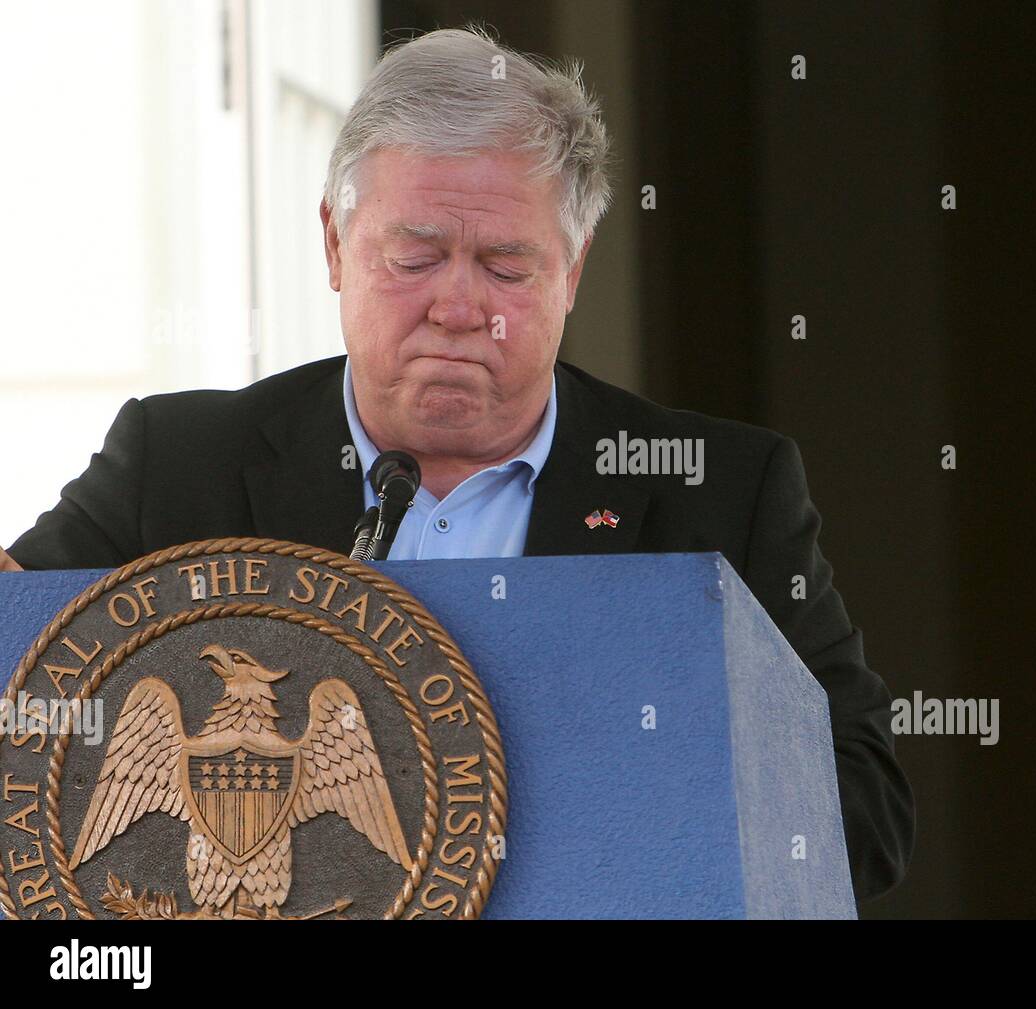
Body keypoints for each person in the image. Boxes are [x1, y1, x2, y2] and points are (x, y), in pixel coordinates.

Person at [1, 26, 914, 914]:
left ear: (574, 269)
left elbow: (868, 804)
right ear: (333, 244)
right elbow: (20, 693)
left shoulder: (716, 488)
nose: (459, 305)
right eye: (416, 257)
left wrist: (636, 797)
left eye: (507, 266)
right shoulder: (175, 463)